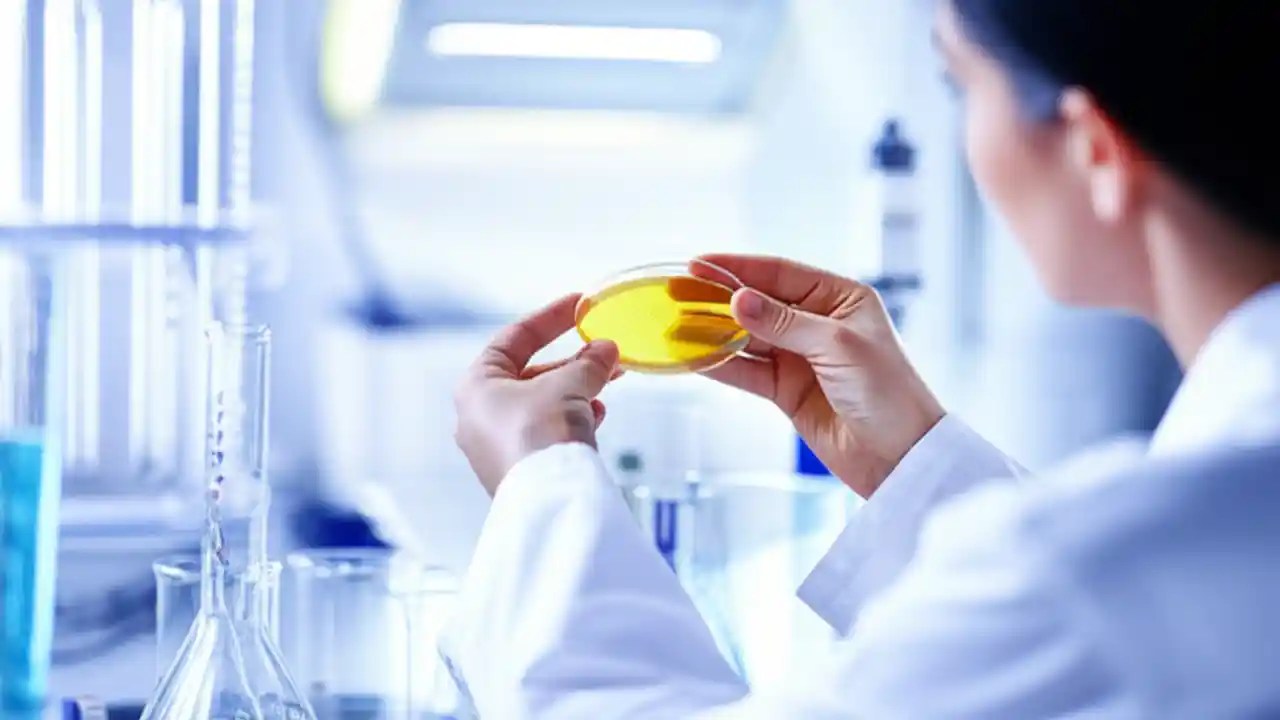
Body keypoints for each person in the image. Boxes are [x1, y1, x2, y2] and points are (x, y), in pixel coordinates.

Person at [442, 0, 1280, 717]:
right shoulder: (1208, 522)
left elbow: (1076, 602)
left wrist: (537, 479)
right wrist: (915, 461)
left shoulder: (1087, 578)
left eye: (961, 85)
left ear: (1096, 149)